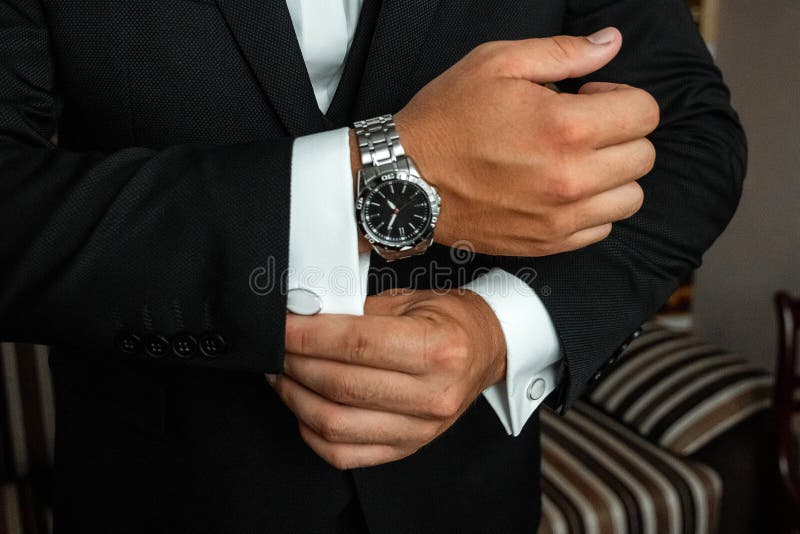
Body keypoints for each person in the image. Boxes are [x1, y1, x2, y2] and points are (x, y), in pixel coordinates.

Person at [0, 0, 745, 532]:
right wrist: (384, 176)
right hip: (164, 490)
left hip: (469, 494)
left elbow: (694, 137)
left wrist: (500, 327)